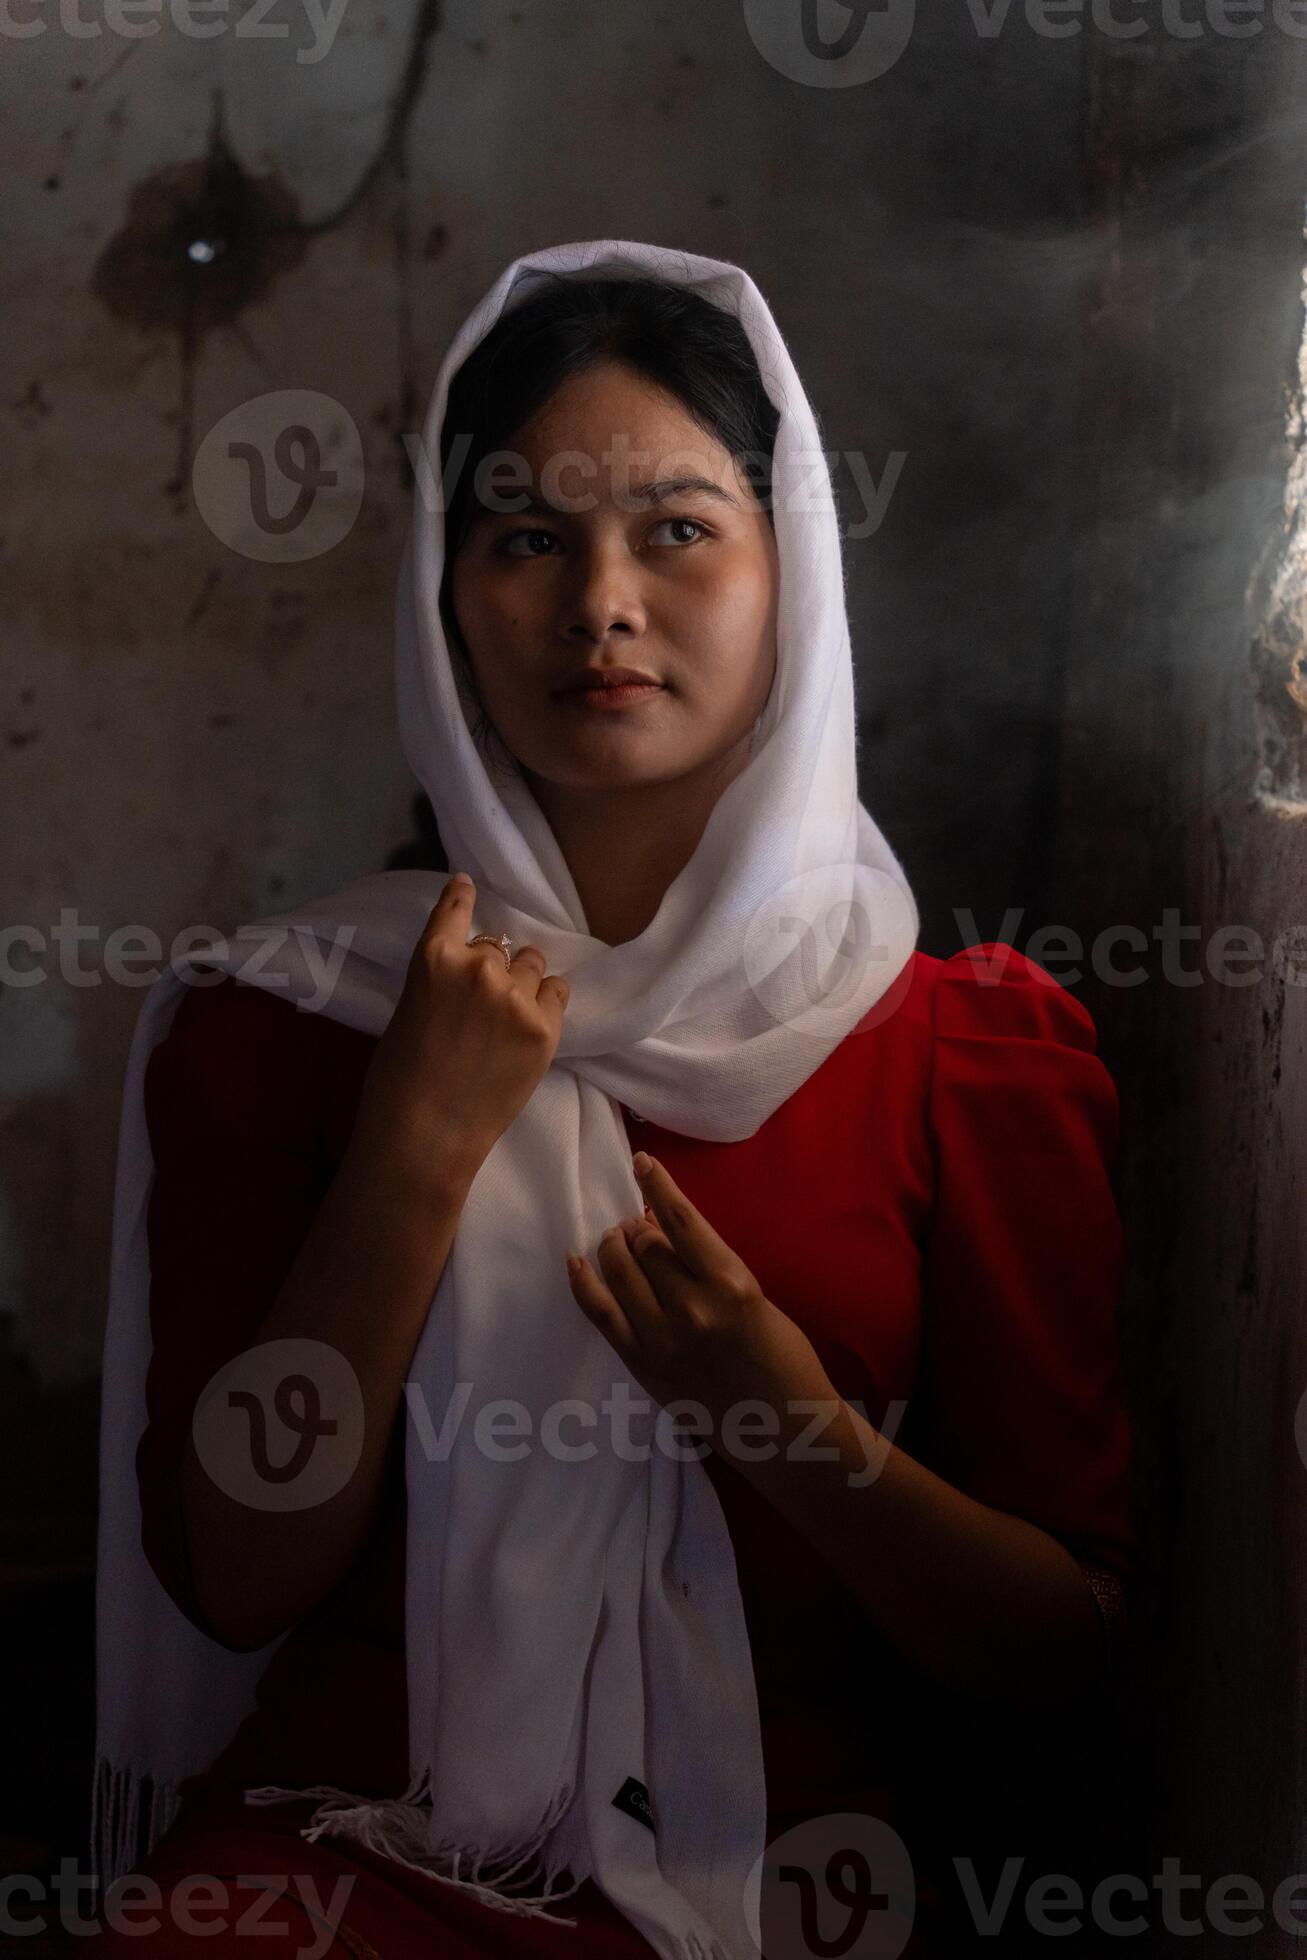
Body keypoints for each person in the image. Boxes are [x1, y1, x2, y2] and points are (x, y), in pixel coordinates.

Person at [87, 240, 1134, 1960]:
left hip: (786, 1867)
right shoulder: (292, 1019)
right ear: (444, 600)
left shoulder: (959, 1051)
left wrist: (782, 1419)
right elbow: (239, 1579)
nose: (601, 603)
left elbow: (1057, 1644)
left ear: (792, 576)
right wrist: (413, 1151)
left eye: (676, 529)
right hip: (353, 1841)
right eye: (524, 540)